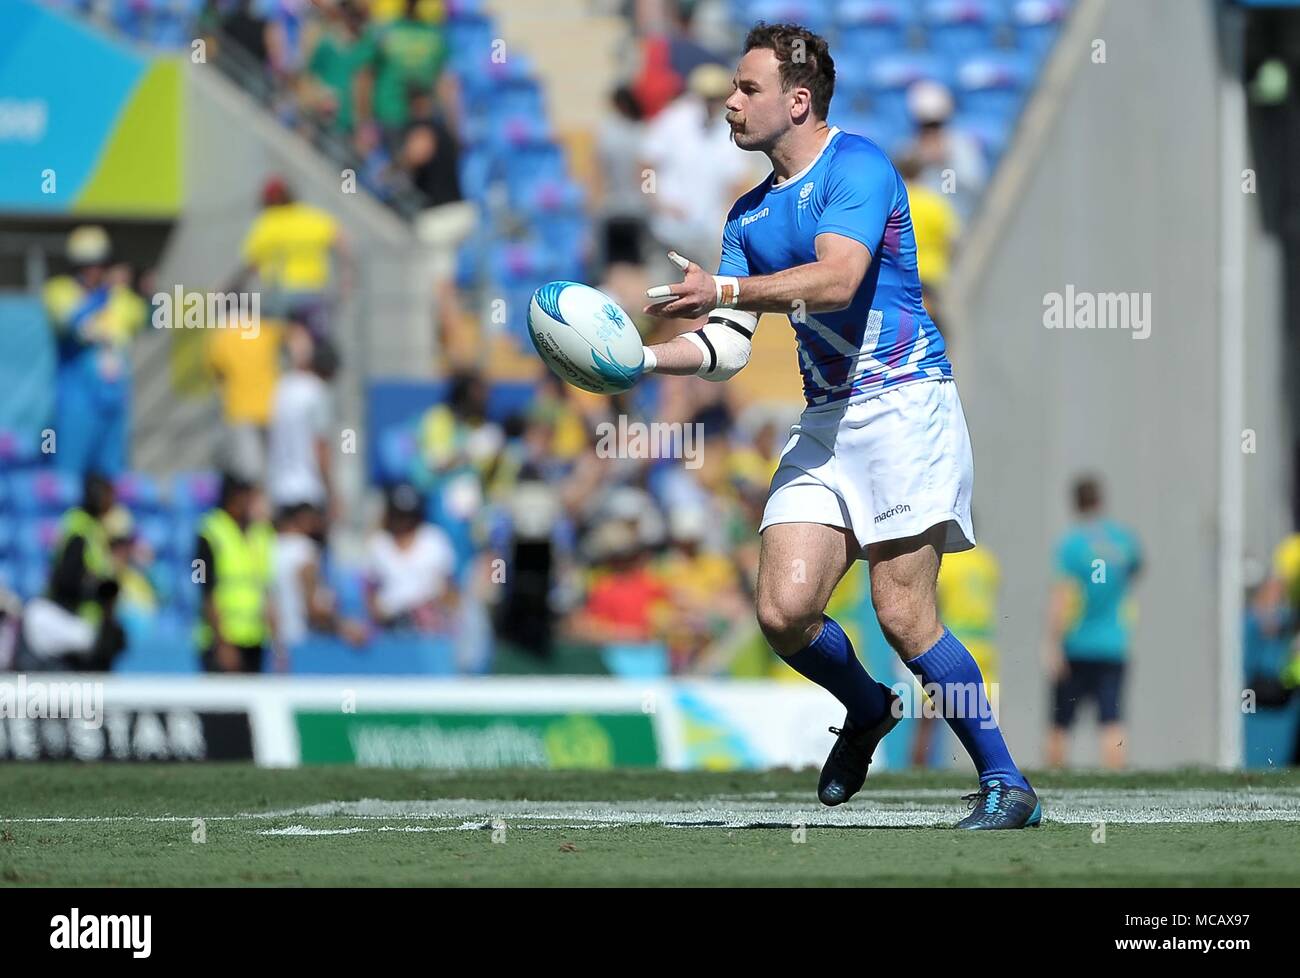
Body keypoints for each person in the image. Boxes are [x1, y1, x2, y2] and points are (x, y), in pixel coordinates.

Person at [638, 22, 1038, 828]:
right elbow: (726, 349)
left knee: (903, 616)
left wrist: (722, 288)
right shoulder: (747, 215)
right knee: (784, 611)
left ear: (798, 99)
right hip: (828, 420)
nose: (729, 102)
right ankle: (866, 708)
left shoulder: (858, 165)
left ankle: (1007, 782)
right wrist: (640, 363)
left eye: (747, 88)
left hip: (905, 405)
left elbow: (837, 279)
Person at [1044, 476, 1143, 770]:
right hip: (1113, 643)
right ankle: (1114, 787)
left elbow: (1062, 595)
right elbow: (1136, 570)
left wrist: (1052, 643)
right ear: (1101, 500)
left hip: (1077, 643)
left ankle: (1053, 784)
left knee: (1061, 722)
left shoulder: (1071, 545)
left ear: (1075, 503)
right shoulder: (1124, 540)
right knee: (1111, 720)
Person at [42, 226, 146, 476]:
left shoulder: (121, 297)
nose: (93, 270)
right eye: (85, 264)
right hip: (76, 400)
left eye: (99, 263)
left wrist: (142, 287)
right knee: (70, 475)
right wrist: (102, 295)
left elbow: (141, 317)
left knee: (111, 475)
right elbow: (74, 323)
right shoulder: (59, 291)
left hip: (113, 398)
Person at [17, 473, 127, 671]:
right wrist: (100, 590)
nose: (113, 502)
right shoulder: (80, 529)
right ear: (97, 495)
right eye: (109, 495)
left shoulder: (94, 527)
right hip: (70, 617)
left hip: (85, 619)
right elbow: (68, 580)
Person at [912, 543, 1000, 768]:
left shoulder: (945, 562)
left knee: (928, 718)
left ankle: (917, 769)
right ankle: (991, 770)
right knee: (985, 716)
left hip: (948, 644)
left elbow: (932, 604)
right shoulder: (985, 562)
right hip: (982, 644)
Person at [233, 177, 350, 338]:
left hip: (280, 293)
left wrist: (229, 288)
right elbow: (342, 241)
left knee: (272, 339)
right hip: (313, 292)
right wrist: (346, 277)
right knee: (317, 341)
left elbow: (251, 264)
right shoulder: (311, 217)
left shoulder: (267, 222)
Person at [195, 474, 277, 673]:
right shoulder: (209, 532)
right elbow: (205, 589)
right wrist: (222, 643)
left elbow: (266, 590)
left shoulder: (262, 534)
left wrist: (277, 643)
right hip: (221, 641)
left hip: (255, 639)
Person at [363, 484, 458, 631]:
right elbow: (370, 590)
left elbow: (449, 588)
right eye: (398, 515)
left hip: (429, 625)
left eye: (408, 516)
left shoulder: (434, 539)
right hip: (390, 625)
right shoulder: (378, 544)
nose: (403, 522)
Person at [267, 328, 337, 518]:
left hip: (278, 487)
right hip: (308, 491)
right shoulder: (317, 392)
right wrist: (333, 492)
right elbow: (320, 446)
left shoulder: (282, 386)